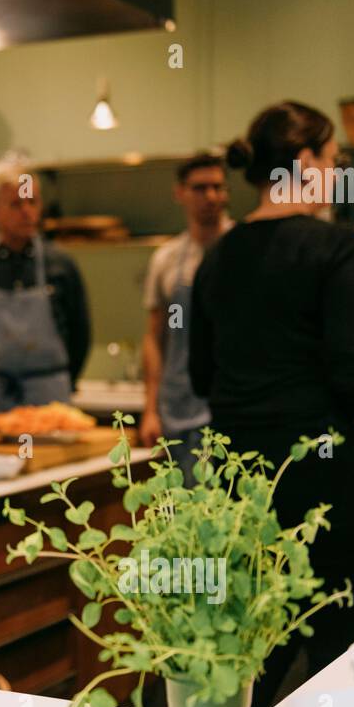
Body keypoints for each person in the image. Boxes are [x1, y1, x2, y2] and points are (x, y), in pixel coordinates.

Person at [189, 101, 354, 707]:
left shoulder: (217, 256)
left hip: (236, 482)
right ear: (304, 163)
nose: (336, 174)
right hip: (319, 475)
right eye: (332, 161)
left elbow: (201, 376)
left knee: (246, 650)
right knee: (336, 640)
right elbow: (350, 373)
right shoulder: (336, 247)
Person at [0, 167, 91, 414]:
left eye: (32, 202)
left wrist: (63, 382)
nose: (27, 212)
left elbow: (81, 332)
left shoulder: (60, 263)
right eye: (16, 204)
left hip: (49, 395)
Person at [140, 152, 234, 481]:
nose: (211, 197)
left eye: (218, 188)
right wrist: (150, 409)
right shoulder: (166, 259)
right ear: (180, 193)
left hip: (231, 407)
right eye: (200, 188)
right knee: (184, 510)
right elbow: (155, 336)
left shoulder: (243, 248)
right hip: (178, 407)